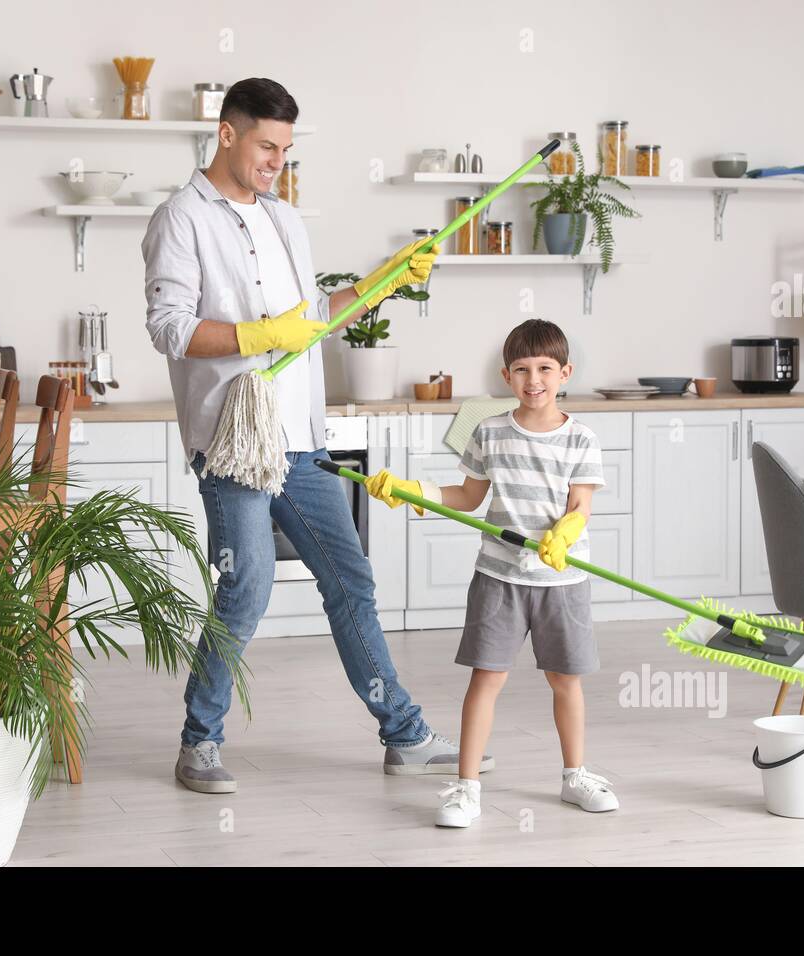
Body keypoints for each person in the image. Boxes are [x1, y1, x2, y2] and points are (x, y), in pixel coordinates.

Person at [143, 77, 490, 794]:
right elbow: (170, 329)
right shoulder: (181, 219)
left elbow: (315, 317)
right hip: (235, 441)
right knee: (247, 591)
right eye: (266, 146)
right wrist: (260, 334)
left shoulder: (284, 220)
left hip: (301, 439)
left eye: (286, 149)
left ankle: (404, 734)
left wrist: (383, 282)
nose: (277, 161)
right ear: (228, 134)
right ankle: (198, 741)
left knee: (350, 579)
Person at [365, 319, 617, 828]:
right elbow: (468, 498)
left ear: (565, 372)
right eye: (522, 369)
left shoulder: (581, 439)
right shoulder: (490, 431)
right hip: (500, 578)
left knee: (566, 682)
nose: (534, 379)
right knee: (486, 680)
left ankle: (575, 776)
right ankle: (466, 788)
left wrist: (566, 532)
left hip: (561, 583)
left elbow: (581, 505)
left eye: (545, 368)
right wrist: (416, 492)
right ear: (507, 375)